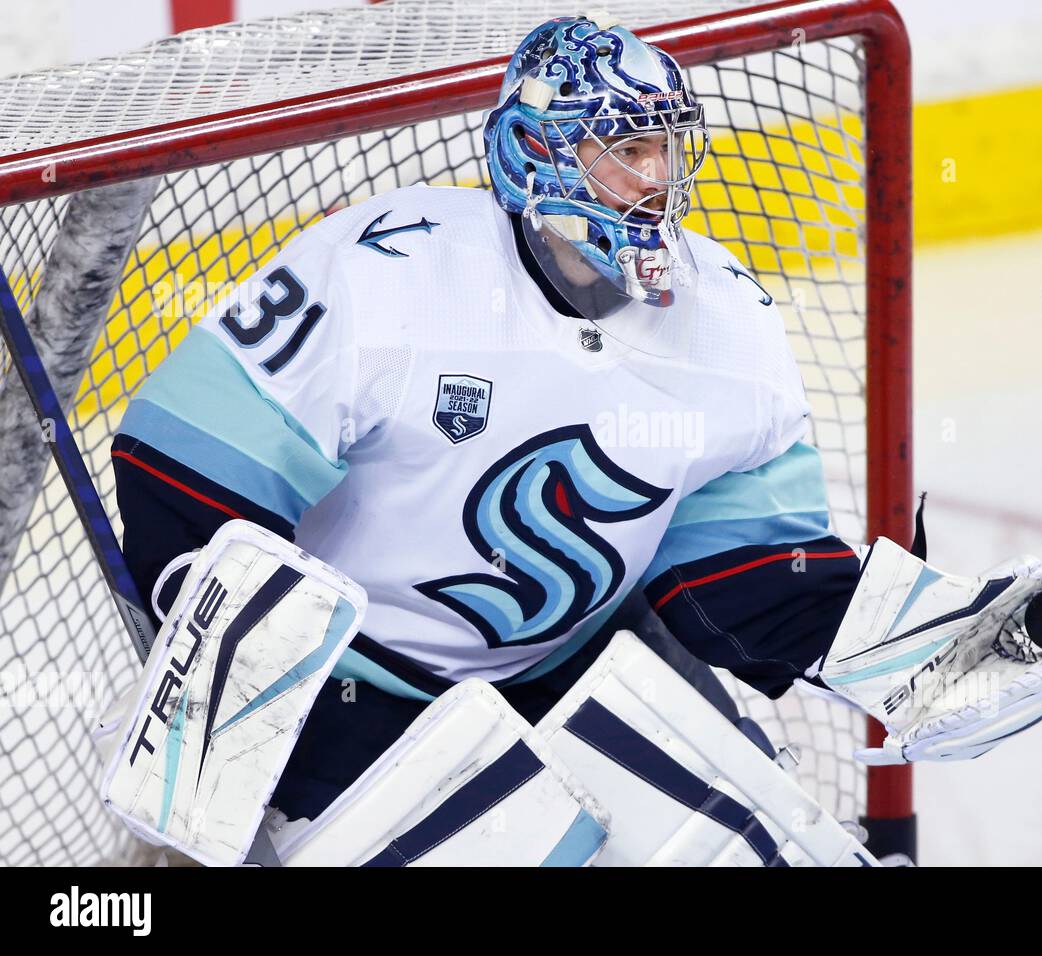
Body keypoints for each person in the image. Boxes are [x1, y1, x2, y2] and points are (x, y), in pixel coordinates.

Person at [111, 15, 862, 821]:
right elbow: (188, 465)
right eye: (624, 149)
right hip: (355, 687)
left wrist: (907, 645)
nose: (656, 179)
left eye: (665, 147)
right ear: (533, 151)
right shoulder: (387, 273)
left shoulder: (728, 319)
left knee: (753, 838)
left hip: (580, 660)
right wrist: (239, 685)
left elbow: (745, 568)